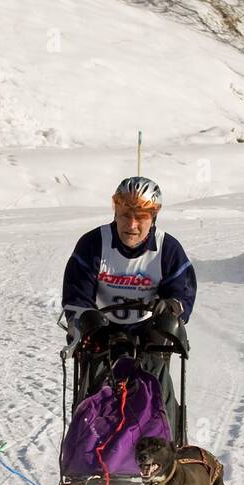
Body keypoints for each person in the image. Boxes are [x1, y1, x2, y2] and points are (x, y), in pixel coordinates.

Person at [61, 176, 196, 434]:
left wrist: (170, 306)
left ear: (153, 217)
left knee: (155, 383)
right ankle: (87, 448)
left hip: (149, 333)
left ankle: (169, 445)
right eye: (125, 215)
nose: (131, 225)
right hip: (102, 331)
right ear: (115, 211)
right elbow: (76, 297)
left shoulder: (167, 249)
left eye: (141, 217)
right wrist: (87, 322)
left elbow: (183, 294)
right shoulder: (93, 244)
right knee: (96, 384)